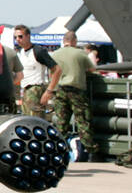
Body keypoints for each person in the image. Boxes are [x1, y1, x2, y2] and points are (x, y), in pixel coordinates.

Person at [42, 30, 98, 159]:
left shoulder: (55, 54)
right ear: (74, 41)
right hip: (77, 91)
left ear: (64, 41)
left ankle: (58, 152)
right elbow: (92, 69)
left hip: (60, 90)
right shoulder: (80, 53)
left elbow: (51, 73)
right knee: (83, 121)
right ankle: (90, 153)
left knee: (61, 123)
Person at [12, 25, 56, 117]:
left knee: (36, 121)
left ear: (28, 36)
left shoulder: (38, 51)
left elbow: (56, 70)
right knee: (27, 121)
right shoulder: (21, 52)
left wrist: (49, 91)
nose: (17, 39)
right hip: (25, 90)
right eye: (15, 37)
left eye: (20, 36)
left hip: (36, 89)